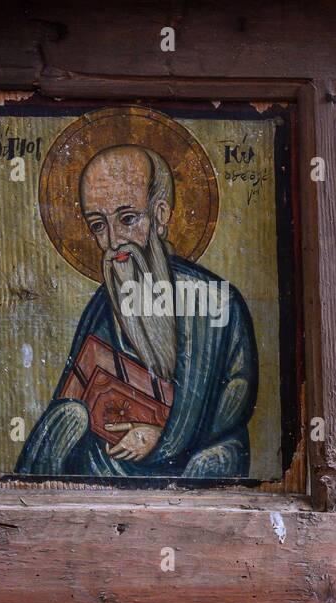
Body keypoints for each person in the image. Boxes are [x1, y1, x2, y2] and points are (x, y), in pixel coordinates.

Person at [17, 144, 258, 478]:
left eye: (127, 219)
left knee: (217, 460)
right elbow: (78, 389)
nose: (114, 240)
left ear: (159, 216)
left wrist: (165, 436)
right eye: (98, 225)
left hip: (190, 453)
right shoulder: (104, 303)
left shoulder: (214, 299)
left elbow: (235, 396)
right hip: (113, 453)